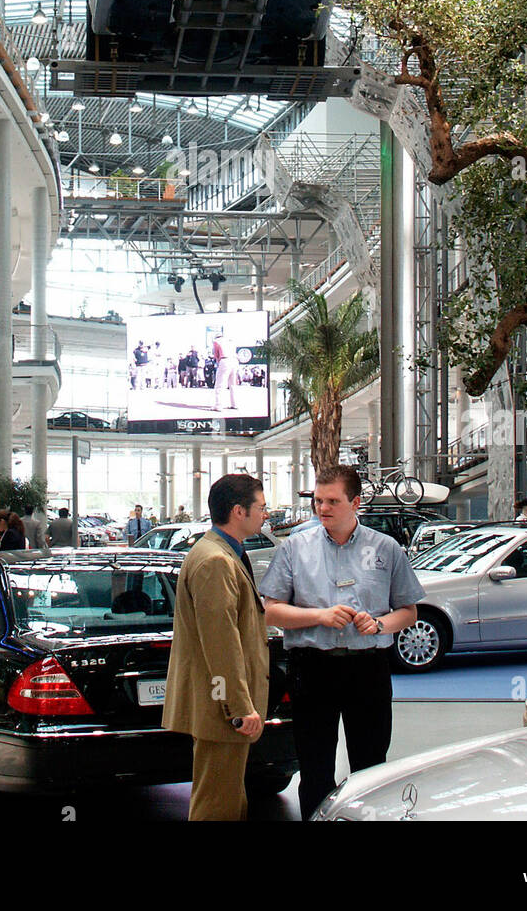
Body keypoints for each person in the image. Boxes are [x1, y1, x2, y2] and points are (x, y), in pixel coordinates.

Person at [262, 465, 425, 821]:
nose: (323, 508)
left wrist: (379, 624)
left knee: (371, 766)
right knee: (315, 767)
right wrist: (319, 616)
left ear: (356, 503)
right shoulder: (295, 548)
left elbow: (409, 612)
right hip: (312, 667)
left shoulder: (386, 548)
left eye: (332, 501)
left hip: (367, 669)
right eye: (318, 501)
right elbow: (270, 612)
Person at [162, 473, 269, 821]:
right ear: (239, 511)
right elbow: (220, 643)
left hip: (220, 705)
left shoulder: (221, 553)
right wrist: (238, 707)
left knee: (228, 800)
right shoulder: (215, 561)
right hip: (221, 708)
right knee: (217, 806)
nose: (265, 514)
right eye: (261, 507)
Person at [212, 331, 238, 411]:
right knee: (233, 384)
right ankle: (234, 404)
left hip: (225, 360)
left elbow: (216, 355)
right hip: (234, 360)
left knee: (220, 384)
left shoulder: (216, 341)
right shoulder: (230, 341)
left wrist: (218, 363)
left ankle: (218, 405)